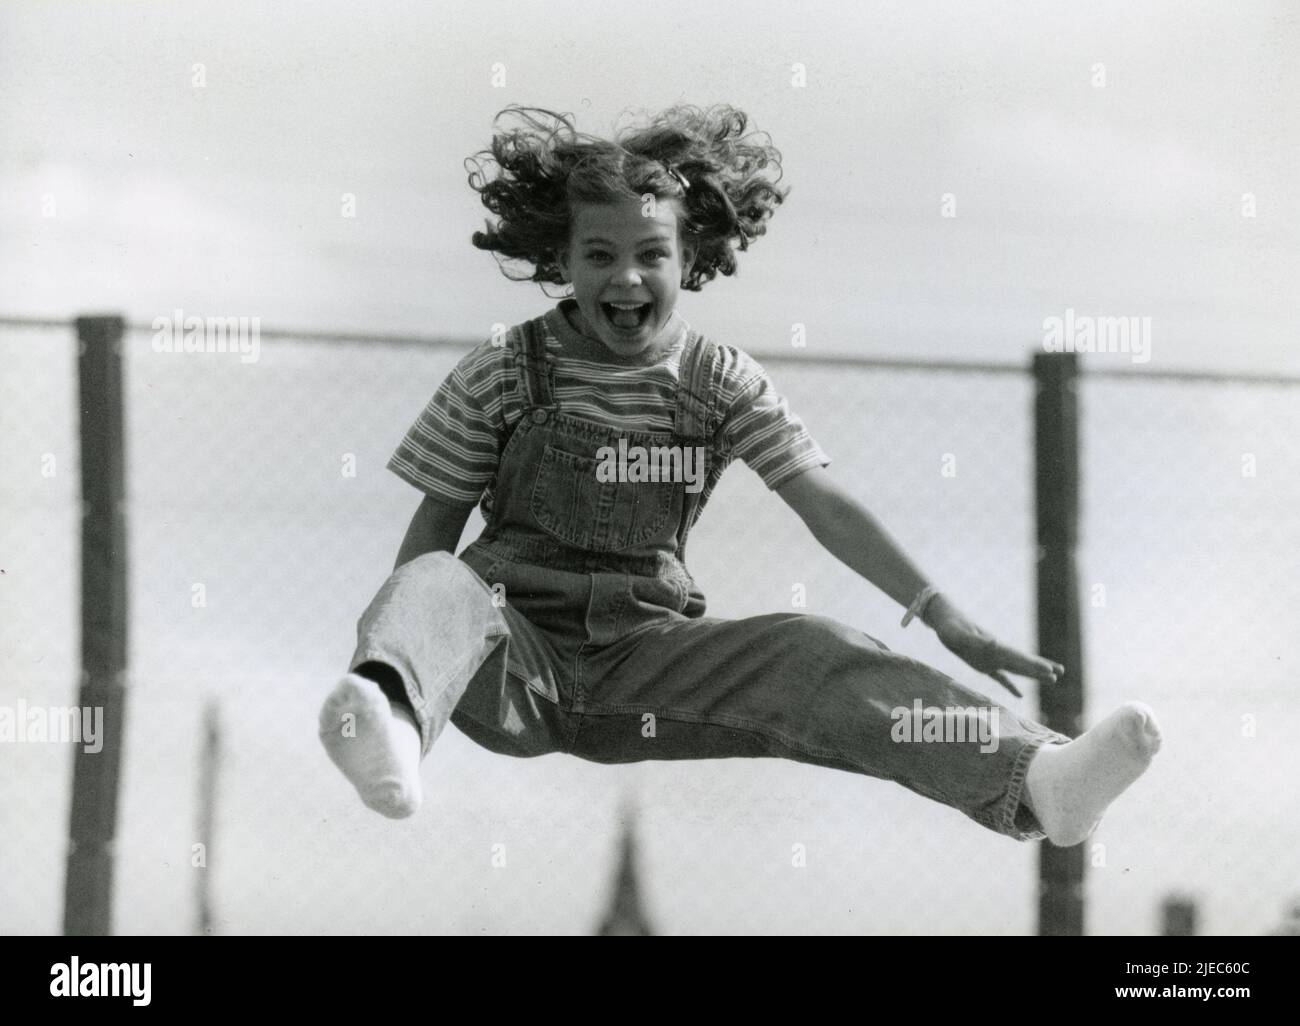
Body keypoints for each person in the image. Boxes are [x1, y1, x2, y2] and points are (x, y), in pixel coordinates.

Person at [319, 104, 1161, 847]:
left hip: (648, 659)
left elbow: (819, 500)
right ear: (562, 261)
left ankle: (1037, 781)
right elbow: (435, 526)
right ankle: (386, 717)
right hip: (512, 655)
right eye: (600, 255)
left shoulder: (717, 379)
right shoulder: (504, 369)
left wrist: (944, 616)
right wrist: (417, 676)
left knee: (812, 651)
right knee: (438, 577)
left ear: (690, 257)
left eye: (651, 253)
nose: (626, 278)